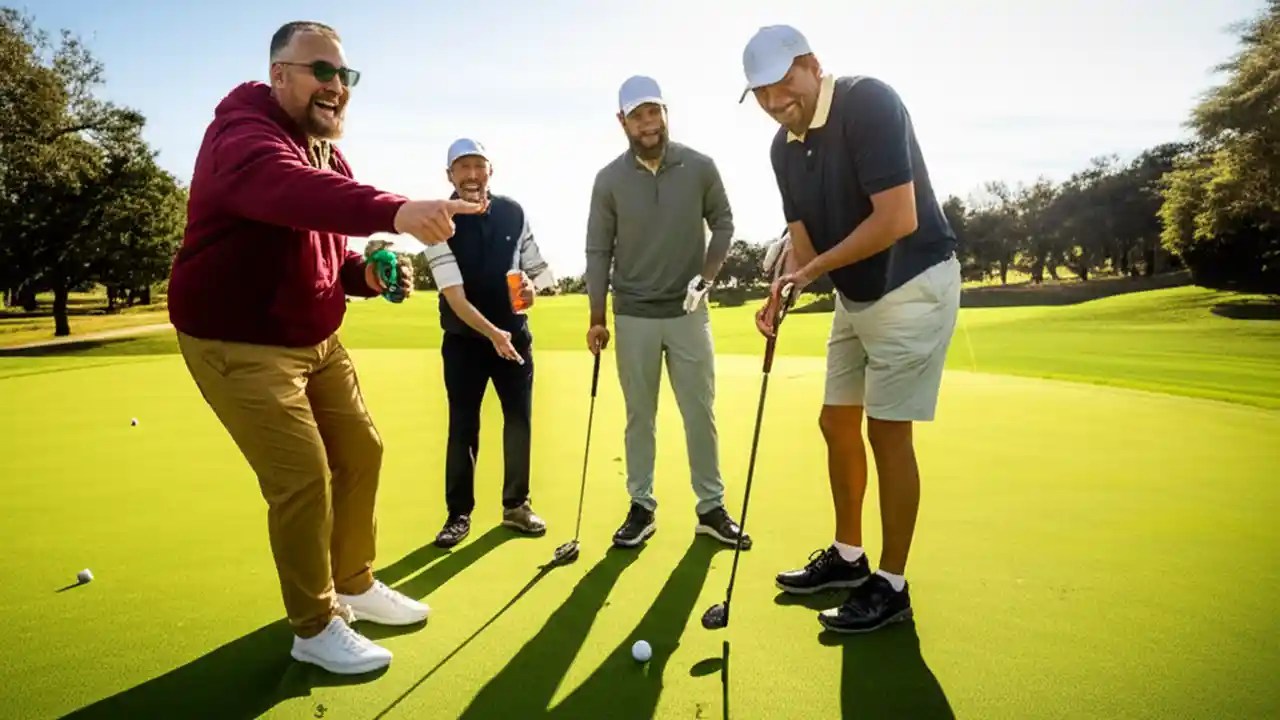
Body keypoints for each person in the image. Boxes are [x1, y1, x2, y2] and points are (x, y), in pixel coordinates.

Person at [168, 20, 487, 675]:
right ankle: (314, 626)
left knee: (362, 450)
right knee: (301, 478)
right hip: (236, 340)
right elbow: (291, 193)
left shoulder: (326, 151)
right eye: (321, 71)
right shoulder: (242, 136)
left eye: (345, 76)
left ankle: (354, 583)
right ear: (279, 74)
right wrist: (396, 210)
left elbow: (324, 241)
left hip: (315, 338)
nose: (336, 87)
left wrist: (362, 274)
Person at [741, 24, 961, 633]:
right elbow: (805, 240)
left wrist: (813, 268)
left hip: (914, 282)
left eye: (783, 84)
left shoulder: (869, 101)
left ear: (812, 65)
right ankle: (847, 556)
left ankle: (890, 585)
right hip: (855, 292)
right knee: (835, 421)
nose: (773, 102)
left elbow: (897, 217)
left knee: (887, 433)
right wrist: (783, 287)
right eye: (759, 93)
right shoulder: (782, 149)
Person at [584, 75, 749, 549]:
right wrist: (598, 316)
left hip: (688, 312)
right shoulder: (609, 180)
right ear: (623, 121)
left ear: (665, 112)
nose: (648, 123)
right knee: (640, 416)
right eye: (637, 115)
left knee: (700, 412)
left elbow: (723, 223)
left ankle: (711, 507)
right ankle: (642, 506)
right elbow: (598, 250)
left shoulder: (699, 167)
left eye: (653, 112)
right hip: (633, 313)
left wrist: (707, 277)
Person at [420, 138, 557, 548]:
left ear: (490, 171)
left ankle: (517, 505)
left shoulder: (513, 213)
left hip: (515, 339)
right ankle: (458, 515)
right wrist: (493, 334)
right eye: (463, 168)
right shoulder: (435, 221)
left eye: (479, 166)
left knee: (519, 423)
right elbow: (455, 297)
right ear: (449, 176)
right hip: (465, 343)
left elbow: (538, 272)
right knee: (464, 427)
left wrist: (534, 288)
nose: (472, 175)